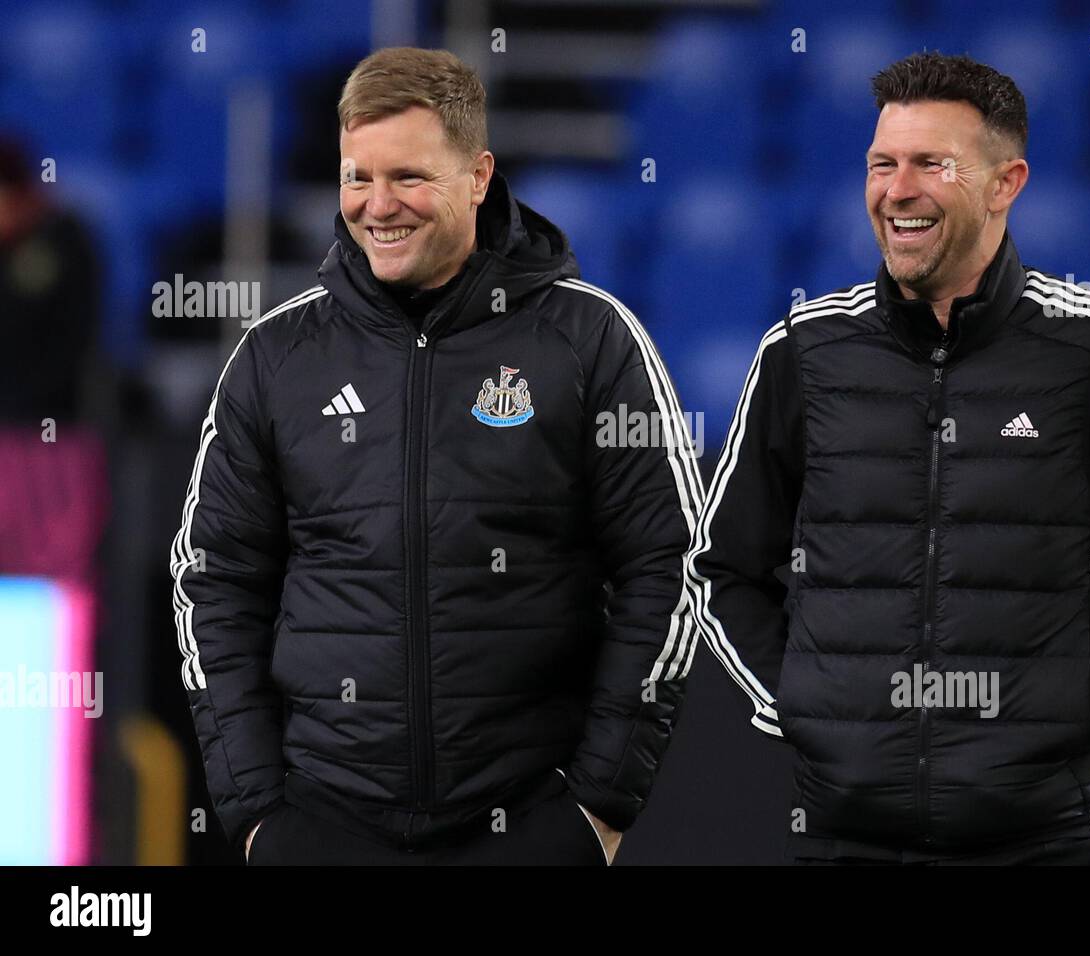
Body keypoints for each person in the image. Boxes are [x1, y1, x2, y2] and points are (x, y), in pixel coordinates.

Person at [687, 52, 1090, 865]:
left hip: (1046, 839)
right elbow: (717, 566)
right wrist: (797, 704)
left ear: (1005, 183)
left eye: (929, 164)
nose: (897, 190)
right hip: (845, 839)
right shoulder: (801, 353)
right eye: (882, 164)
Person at [170, 47, 701, 865]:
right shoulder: (275, 357)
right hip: (322, 825)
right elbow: (213, 580)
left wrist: (597, 805)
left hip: (528, 822)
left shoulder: (591, 341)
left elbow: (671, 566)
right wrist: (255, 813)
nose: (378, 207)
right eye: (357, 177)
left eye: (409, 177)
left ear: (479, 176)